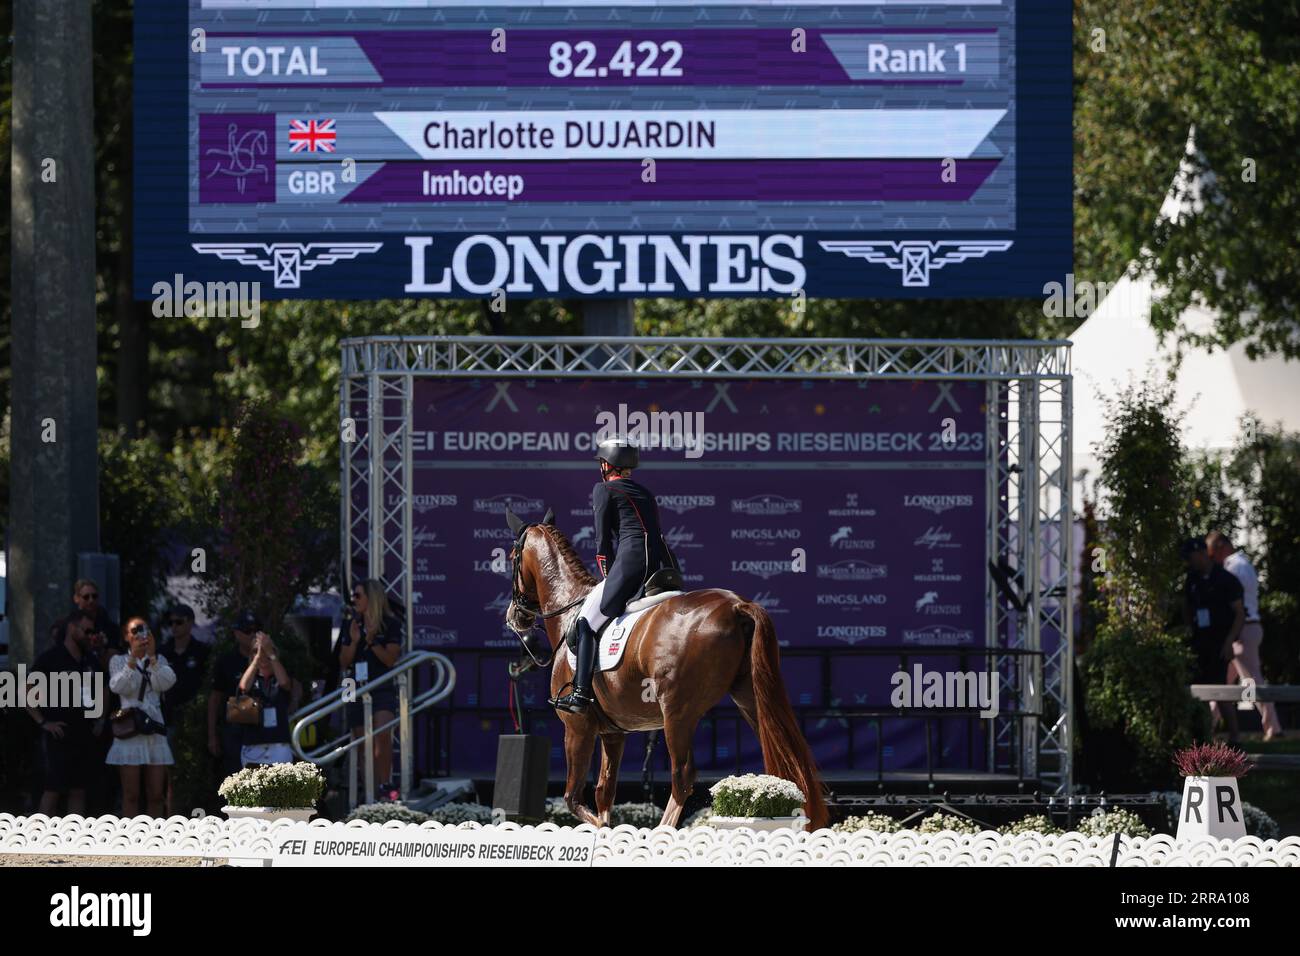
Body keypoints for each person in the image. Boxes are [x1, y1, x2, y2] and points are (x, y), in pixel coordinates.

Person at [550, 438, 674, 714]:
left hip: (629, 567)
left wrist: (608, 578)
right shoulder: (646, 493)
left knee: (585, 622)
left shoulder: (603, 489)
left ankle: (580, 693)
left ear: (607, 465)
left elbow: (603, 543)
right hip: (659, 566)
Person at [25, 610, 105, 815]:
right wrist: (43, 722)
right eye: (86, 630)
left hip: (84, 734)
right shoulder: (51, 658)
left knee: (78, 790)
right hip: (58, 734)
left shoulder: (90, 661)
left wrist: (100, 719)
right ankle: (38, 841)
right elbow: (26, 692)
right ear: (72, 628)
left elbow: (104, 688)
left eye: (93, 632)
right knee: (52, 789)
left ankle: (73, 843)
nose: (90, 635)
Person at [1208, 531, 1284, 740]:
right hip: (1247, 629)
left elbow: (1231, 603)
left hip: (1242, 630)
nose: (1213, 561)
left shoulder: (1232, 568)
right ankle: (1207, 725)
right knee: (1220, 682)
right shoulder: (1244, 564)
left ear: (1222, 547)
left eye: (1213, 555)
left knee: (1252, 682)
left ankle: (1273, 727)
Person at [107, 618, 176, 816]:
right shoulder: (118, 661)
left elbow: (166, 683)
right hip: (130, 732)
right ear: (126, 636)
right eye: (134, 630)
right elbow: (117, 687)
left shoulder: (159, 660)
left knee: (156, 794)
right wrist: (131, 661)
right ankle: (130, 840)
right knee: (131, 795)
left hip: (155, 730)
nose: (140, 634)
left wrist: (152, 658)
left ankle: (154, 839)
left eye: (144, 629)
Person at [339, 579, 403, 792]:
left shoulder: (390, 623)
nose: (354, 600)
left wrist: (372, 640)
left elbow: (389, 660)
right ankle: (369, 791)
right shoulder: (351, 623)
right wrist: (356, 641)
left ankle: (385, 786)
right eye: (353, 596)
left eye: (358, 595)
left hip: (381, 687)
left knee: (382, 736)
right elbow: (343, 662)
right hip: (353, 687)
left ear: (371, 598)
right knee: (362, 744)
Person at [1182, 537, 1245, 742]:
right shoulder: (1192, 580)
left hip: (1219, 642)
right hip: (1199, 641)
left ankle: (1235, 737)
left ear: (1202, 554)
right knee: (1198, 690)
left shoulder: (1226, 579)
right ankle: (1203, 736)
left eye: (1192, 558)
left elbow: (1239, 613)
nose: (1190, 563)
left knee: (1220, 691)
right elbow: (1187, 608)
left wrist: (1229, 641)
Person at [207, 610, 258, 781]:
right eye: (247, 631)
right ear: (236, 633)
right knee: (236, 780)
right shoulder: (226, 661)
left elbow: (290, 684)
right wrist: (212, 736)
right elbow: (215, 699)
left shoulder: (269, 658)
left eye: (255, 630)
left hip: (264, 730)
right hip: (236, 729)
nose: (252, 635)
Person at [237, 631, 299, 766]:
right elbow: (243, 688)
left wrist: (270, 653)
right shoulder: (250, 677)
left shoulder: (280, 675)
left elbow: (285, 684)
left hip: (278, 745)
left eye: (265, 651)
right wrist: (256, 660)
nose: (261, 655)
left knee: (281, 786)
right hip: (253, 746)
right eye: (256, 651)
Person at [158, 604, 209, 731]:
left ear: (190, 623)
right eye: (171, 623)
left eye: (179, 622)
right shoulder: (162, 652)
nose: (174, 626)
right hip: (166, 717)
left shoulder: (202, 651)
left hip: (193, 718)